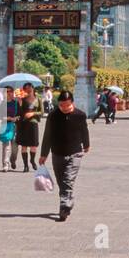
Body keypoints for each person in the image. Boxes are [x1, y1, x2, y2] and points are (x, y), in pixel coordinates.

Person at [39, 90, 91, 222]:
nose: (64, 108)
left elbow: (84, 131)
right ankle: (68, 201)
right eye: (62, 105)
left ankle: (63, 208)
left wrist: (86, 144)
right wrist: (44, 154)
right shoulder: (53, 116)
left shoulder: (80, 115)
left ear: (72, 103)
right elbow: (47, 136)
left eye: (67, 105)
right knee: (61, 181)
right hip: (57, 153)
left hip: (75, 153)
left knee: (68, 180)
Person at [15, 83, 41, 171]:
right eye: (26, 88)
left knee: (33, 145)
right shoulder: (22, 99)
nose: (28, 90)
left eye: (29, 88)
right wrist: (20, 104)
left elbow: (41, 112)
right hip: (23, 124)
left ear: (33, 88)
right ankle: (25, 166)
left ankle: (32, 160)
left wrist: (33, 113)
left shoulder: (38, 99)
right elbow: (19, 113)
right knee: (24, 146)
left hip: (33, 124)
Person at [1, 88, 20, 171]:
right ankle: (5, 164)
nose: (9, 93)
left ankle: (13, 160)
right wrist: (9, 118)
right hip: (5, 125)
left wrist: (16, 118)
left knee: (15, 147)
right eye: (7, 91)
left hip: (15, 126)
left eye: (11, 91)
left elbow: (20, 115)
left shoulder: (16, 103)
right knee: (6, 146)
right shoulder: (2, 104)